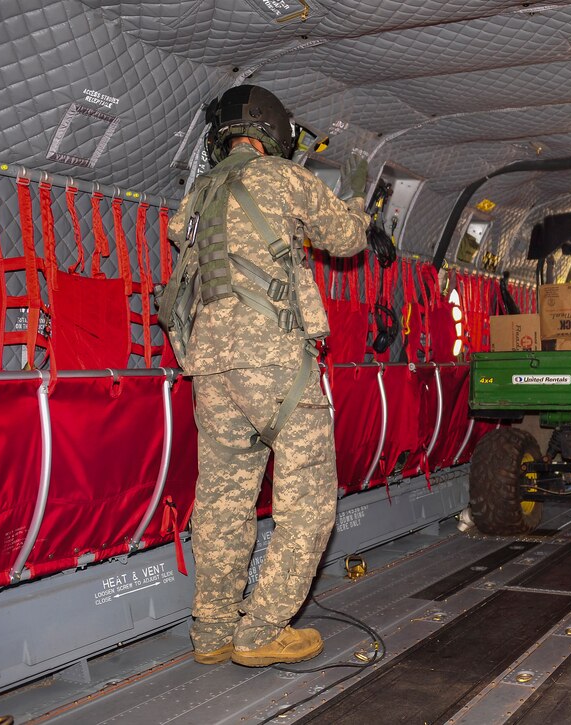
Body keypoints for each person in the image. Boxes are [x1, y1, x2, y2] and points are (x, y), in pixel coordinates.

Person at [164, 85, 370, 668]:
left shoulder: (198, 194)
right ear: (272, 130)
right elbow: (347, 239)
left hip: (211, 366)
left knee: (223, 501)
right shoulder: (282, 177)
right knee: (308, 500)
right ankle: (262, 629)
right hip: (275, 363)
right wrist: (356, 199)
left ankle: (212, 631)